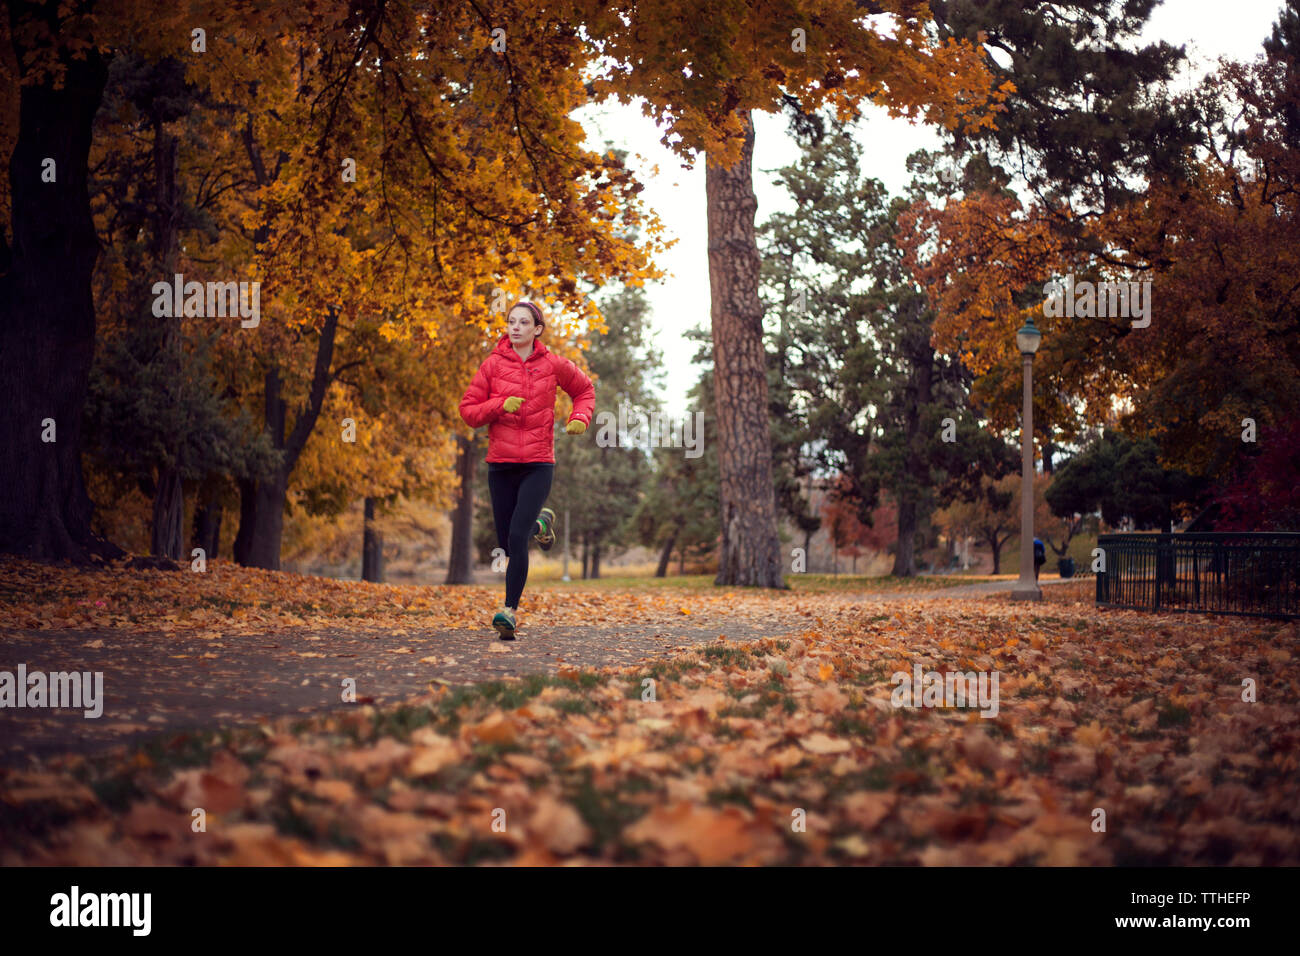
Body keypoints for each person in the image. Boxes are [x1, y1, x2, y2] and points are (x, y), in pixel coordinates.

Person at [458, 301, 594, 639]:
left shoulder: (553, 365)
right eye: (511, 322)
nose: (515, 327)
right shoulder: (491, 366)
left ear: (537, 329)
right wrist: (499, 405)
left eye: (523, 322)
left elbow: (585, 390)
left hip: (537, 463)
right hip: (500, 465)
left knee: (517, 537)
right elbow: (468, 411)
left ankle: (509, 611)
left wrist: (579, 417)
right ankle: (541, 523)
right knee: (506, 541)